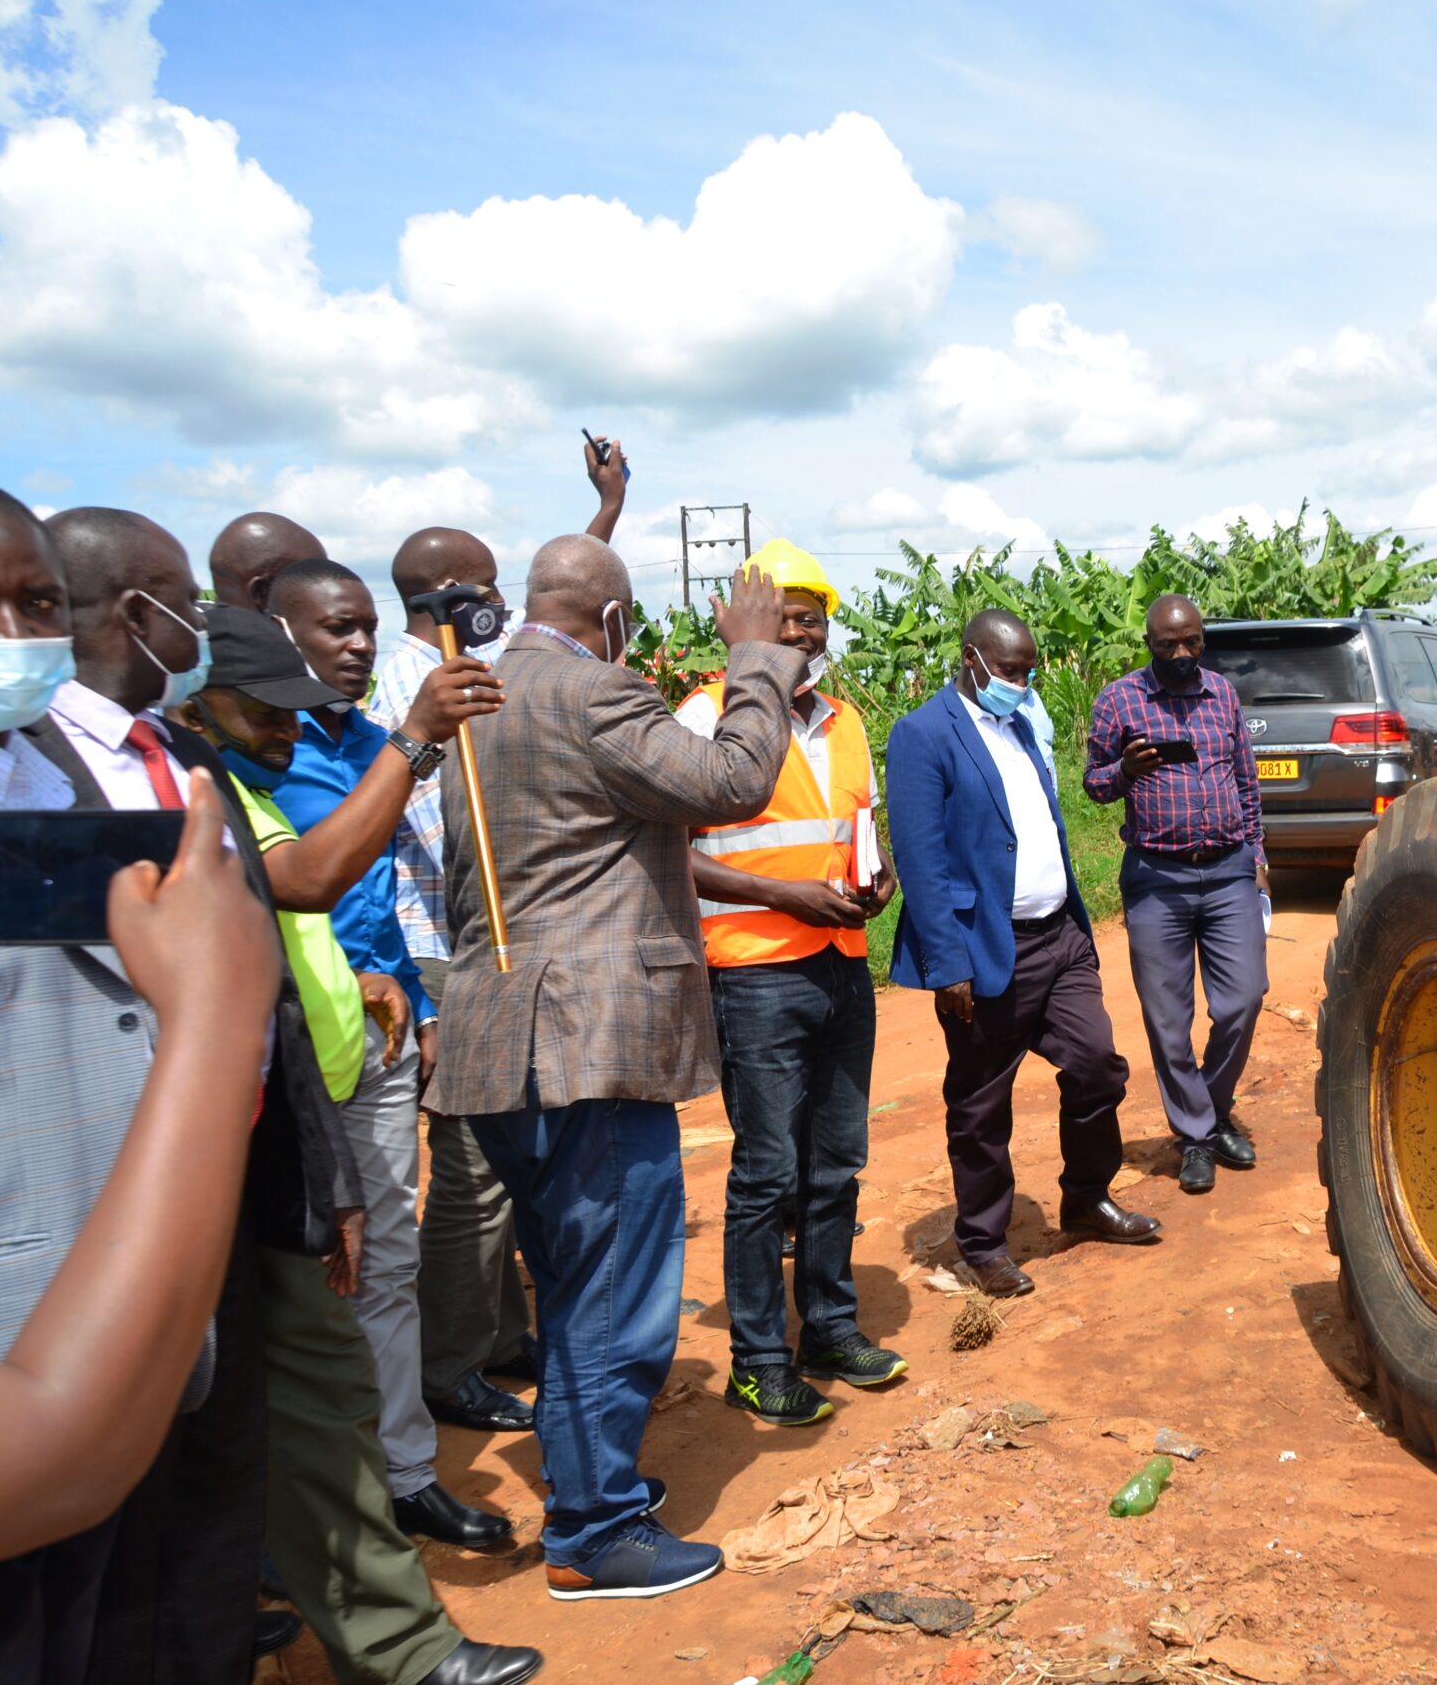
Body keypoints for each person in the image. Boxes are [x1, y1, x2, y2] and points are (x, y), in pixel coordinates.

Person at [36, 512, 538, 1685]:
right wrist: (416, 740)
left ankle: (396, 1647)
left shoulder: (185, 762)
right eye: (185, 603)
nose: (208, 627)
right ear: (135, 615)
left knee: (301, 1399)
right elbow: (302, 881)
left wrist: (319, 1170)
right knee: (130, 1447)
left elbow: (263, 968)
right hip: (106, 1178)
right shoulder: (39, 772)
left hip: (262, 1139)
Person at [436, 536, 797, 1601]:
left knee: (567, 1281)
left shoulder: (474, 698)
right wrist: (753, 659)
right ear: (611, 619)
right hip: (589, 1043)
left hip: (502, 1038)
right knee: (610, 1293)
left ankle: (586, 1487)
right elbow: (733, 779)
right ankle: (594, 1532)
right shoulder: (597, 692)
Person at [0, 494, 271, 1680]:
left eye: (33, 603)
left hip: (134, 1261)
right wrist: (215, 1013)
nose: (18, 638)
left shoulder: (57, 794)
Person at [266, 557, 516, 1547]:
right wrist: (416, 736)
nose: (360, 646)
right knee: (308, 1276)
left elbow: (385, 900)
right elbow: (309, 882)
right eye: (337, 629)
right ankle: (312, 1507)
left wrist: (415, 998)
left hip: (378, 1033)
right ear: (278, 632)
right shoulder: (257, 752)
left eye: (366, 627)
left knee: (388, 1259)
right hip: (288, 1049)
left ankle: (405, 1474)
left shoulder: (369, 742)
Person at [674, 540, 906, 1428]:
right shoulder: (705, 716)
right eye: (785, 619)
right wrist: (782, 895)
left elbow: (858, 830)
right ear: (749, 627)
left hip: (841, 963)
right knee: (768, 1172)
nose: (801, 633)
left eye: (812, 619)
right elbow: (671, 853)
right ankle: (759, 1360)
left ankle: (831, 1329)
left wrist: (878, 880)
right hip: (755, 971)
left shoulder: (845, 722)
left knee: (836, 1163)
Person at [886, 608, 1160, 1300]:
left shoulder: (1020, 725)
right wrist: (948, 963)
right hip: (985, 946)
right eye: (1011, 670)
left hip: (1058, 938)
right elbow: (920, 858)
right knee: (982, 1104)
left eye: (1029, 670)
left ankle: (1086, 1197)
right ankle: (983, 1243)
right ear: (971, 659)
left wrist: (1076, 925)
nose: (1023, 681)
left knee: (1097, 1065)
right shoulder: (923, 734)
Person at [373, 523, 538, 1435]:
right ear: (443, 596)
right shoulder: (412, 690)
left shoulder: (450, 673)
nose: (499, 603)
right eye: (486, 587)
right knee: (473, 1170)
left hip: (464, 938)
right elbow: (446, 836)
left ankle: (501, 1337)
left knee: (498, 1159)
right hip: (438, 940)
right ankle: (449, 1366)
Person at [1083, 594, 1268, 1195]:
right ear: (1150, 644)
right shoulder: (1119, 700)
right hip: (1157, 878)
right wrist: (1125, 771)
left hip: (1229, 871)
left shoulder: (1223, 695)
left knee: (1243, 998)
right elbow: (1093, 783)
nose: (1183, 653)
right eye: (1169, 644)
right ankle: (1195, 1137)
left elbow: (1246, 780)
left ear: (1203, 639)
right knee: (1168, 1020)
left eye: (1192, 641)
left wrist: (1258, 857)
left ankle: (1210, 1110)